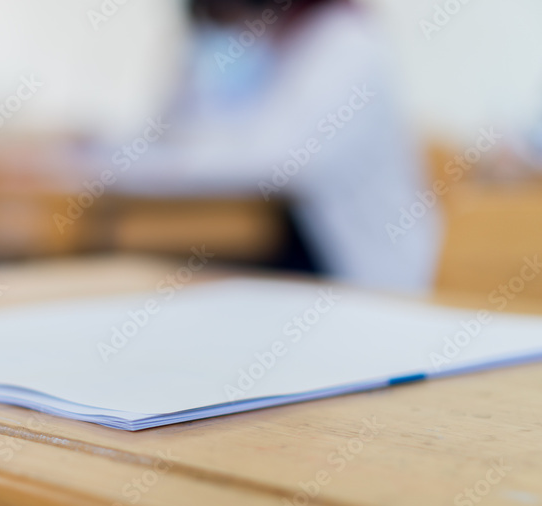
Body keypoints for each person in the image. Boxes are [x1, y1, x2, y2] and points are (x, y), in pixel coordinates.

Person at [115, 0, 441, 293]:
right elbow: (182, 128)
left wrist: (139, 164)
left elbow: (279, 161)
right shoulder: (260, 42)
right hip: (281, 260)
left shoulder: (344, 41)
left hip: (356, 275)